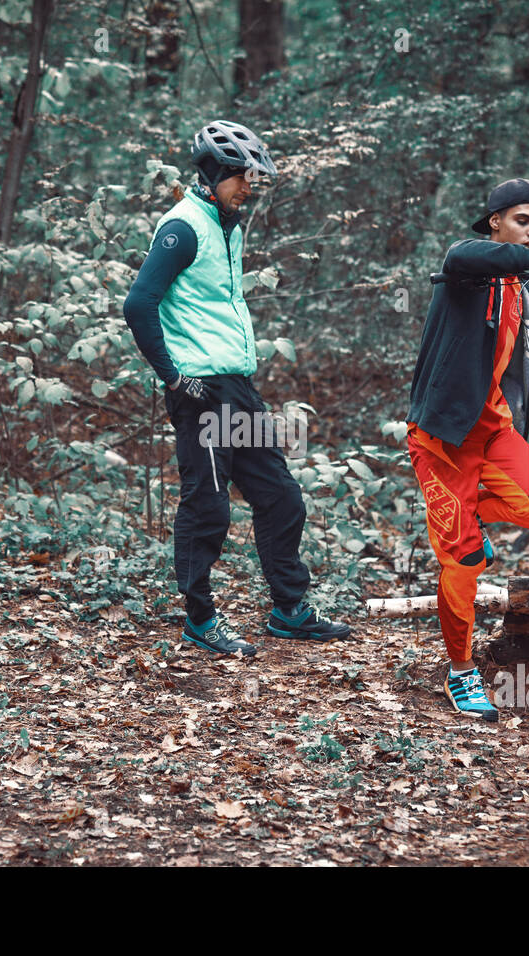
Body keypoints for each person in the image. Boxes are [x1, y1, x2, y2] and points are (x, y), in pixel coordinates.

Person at [123, 120, 351, 657]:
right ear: (215, 172)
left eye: (252, 177)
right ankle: (200, 620)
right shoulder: (182, 227)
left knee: (281, 496)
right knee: (209, 507)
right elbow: (138, 304)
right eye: (242, 177)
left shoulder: (228, 225)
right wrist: (174, 377)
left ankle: (289, 611)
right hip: (200, 390)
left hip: (237, 388)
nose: (249, 187)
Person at [406, 178, 529, 718]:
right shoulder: (467, 271)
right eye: (522, 221)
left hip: (496, 432)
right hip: (443, 441)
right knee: (462, 561)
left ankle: (471, 516)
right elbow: (466, 255)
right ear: (494, 223)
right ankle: (460, 672)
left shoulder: (518, 292)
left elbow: (523, 370)